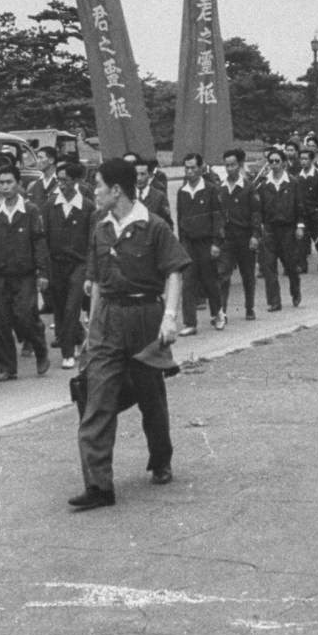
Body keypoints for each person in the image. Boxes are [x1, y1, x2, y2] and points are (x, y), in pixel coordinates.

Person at [69, 158, 190, 511]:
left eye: (99, 187)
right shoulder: (100, 227)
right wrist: (90, 335)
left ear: (116, 190)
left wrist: (170, 317)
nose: (94, 193)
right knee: (97, 397)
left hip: (145, 317)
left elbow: (174, 272)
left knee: (150, 395)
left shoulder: (153, 226)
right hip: (109, 318)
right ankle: (98, 487)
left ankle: (160, 460)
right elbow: (98, 286)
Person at [0, 163, 51, 381]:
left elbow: (39, 242)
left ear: (19, 184)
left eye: (9, 182)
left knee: (25, 316)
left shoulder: (30, 211)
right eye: (1, 183)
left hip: (24, 275)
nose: (5, 187)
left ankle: (40, 350)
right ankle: (7, 366)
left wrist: (43, 273)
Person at [42, 163, 92, 369]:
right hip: (56, 264)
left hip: (79, 264)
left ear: (76, 181)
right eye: (59, 180)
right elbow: (43, 239)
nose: (61, 184)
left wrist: (91, 269)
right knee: (61, 308)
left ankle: (68, 352)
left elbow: (92, 240)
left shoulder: (88, 206)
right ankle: (79, 336)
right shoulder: (50, 205)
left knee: (73, 306)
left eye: (65, 180)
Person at [175, 153, 225, 334]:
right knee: (188, 282)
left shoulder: (211, 189)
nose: (190, 171)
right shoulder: (182, 192)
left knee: (210, 280)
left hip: (206, 242)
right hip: (189, 243)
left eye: (193, 167)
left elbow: (218, 218)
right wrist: (181, 245)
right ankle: (190, 323)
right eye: (187, 168)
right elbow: (180, 219)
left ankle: (218, 313)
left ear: (201, 168)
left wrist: (216, 243)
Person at [255, 148, 305, 311]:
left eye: (277, 161)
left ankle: (295, 291)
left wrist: (300, 225)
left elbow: (299, 205)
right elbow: (259, 208)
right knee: (269, 266)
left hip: (287, 229)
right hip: (270, 229)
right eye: (271, 161)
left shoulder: (293, 182)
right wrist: (260, 226)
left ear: (283, 163)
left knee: (290, 264)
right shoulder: (264, 184)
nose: (274, 164)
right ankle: (274, 301)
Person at [217, 149, 260, 321]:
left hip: (245, 236)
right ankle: (222, 311)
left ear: (240, 165)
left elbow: (256, 213)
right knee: (223, 274)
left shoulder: (249, 187)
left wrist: (255, 235)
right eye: (227, 165)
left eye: (233, 165)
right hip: (227, 238)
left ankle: (249, 307)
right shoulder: (220, 188)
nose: (229, 169)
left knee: (247, 274)